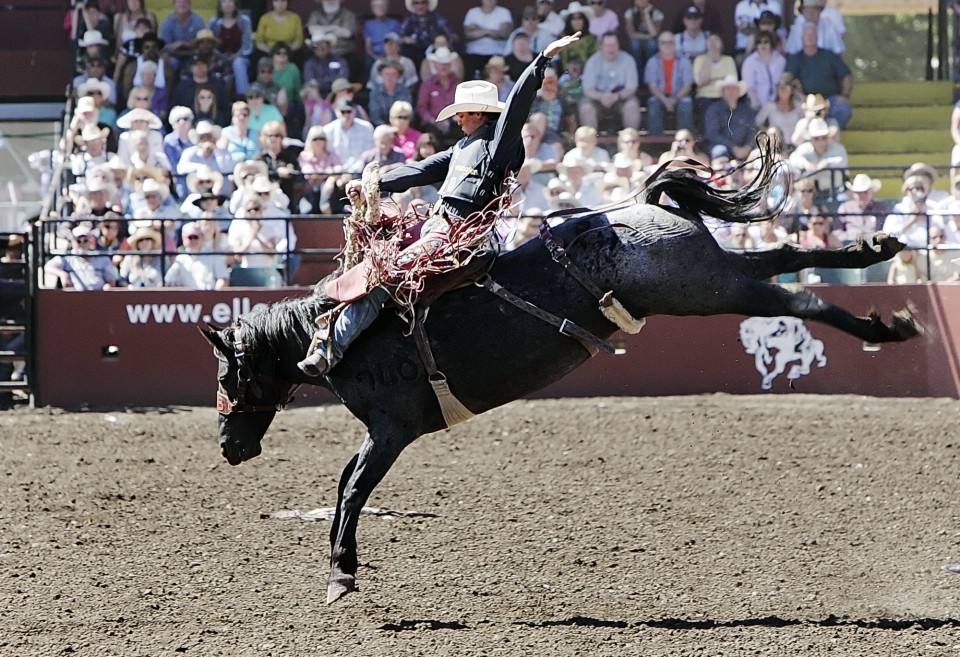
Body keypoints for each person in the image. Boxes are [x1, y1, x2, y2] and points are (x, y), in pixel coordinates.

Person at [297, 31, 582, 377]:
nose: (457, 120)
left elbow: (517, 103)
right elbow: (418, 170)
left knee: (385, 274)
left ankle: (332, 349)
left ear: (477, 113)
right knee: (373, 256)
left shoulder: (500, 144)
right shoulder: (462, 146)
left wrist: (542, 60)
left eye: (461, 113)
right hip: (435, 224)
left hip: (461, 233)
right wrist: (373, 181)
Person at [785, 23, 852, 129]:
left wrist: (845, 94)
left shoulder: (829, 56)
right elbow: (787, 81)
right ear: (802, 38)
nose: (810, 37)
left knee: (843, 109)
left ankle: (831, 135)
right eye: (807, 35)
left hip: (829, 100)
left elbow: (846, 75)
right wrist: (799, 95)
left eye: (813, 35)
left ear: (817, 37)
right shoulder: (795, 59)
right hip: (805, 100)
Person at [579, 32, 641, 132]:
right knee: (586, 107)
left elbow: (632, 87)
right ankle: (590, 141)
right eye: (607, 45)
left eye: (613, 45)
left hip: (621, 98)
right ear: (601, 46)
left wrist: (617, 96)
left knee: (632, 106)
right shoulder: (593, 61)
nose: (611, 48)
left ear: (618, 45)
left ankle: (630, 138)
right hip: (598, 98)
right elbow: (587, 89)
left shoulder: (628, 60)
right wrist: (601, 97)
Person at [645, 30, 694, 136]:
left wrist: (674, 99)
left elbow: (687, 85)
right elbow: (652, 87)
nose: (667, 45)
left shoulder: (685, 61)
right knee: (653, 104)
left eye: (670, 42)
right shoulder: (652, 62)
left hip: (679, 96)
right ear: (658, 45)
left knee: (686, 103)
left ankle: (684, 140)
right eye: (663, 42)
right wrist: (666, 101)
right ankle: (656, 143)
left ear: (675, 44)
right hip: (660, 96)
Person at [787, 118, 847, 200]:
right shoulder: (806, 148)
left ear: (828, 137)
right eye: (816, 138)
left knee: (844, 199)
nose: (820, 141)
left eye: (823, 137)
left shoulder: (838, 148)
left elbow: (842, 161)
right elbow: (793, 158)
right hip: (812, 193)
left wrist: (827, 163)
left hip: (836, 191)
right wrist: (806, 164)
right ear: (811, 139)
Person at [44, 225, 119, 290]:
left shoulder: (102, 258)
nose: (82, 244)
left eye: (85, 240)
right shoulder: (67, 258)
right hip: (75, 298)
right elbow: (48, 267)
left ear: (90, 241)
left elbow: (111, 281)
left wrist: (108, 287)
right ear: (73, 242)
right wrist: (63, 274)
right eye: (78, 240)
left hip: (99, 298)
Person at [703, 75, 756, 161]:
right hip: (723, 148)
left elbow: (752, 132)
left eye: (734, 89)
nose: (731, 92)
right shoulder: (714, 109)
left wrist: (748, 147)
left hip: (744, 149)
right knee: (719, 151)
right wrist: (733, 147)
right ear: (723, 92)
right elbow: (712, 134)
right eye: (728, 89)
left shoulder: (747, 110)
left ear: (739, 92)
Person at [165, 222, 231, 289]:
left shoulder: (213, 255)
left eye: (196, 237)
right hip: (186, 297)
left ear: (201, 237)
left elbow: (223, 279)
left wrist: (214, 296)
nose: (193, 240)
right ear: (183, 238)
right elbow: (168, 280)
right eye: (190, 237)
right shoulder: (180, 259)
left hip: (208, 296)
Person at [416, 47, 461, 144]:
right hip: (433, 123)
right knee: (432, 137)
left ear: (450, 65)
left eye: (446, 64)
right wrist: (434, 121)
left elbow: (463, 103)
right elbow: (422, 107)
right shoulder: (428, 84)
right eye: (441, 64)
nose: (443, 67)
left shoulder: (458, 83)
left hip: (455, 123)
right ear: (436, 65)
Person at [208, 0, 253, 96]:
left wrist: (236, 55)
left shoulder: (244, 20)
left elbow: (247, 45)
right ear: (220, 6)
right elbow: (210, 44)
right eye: (224, 1)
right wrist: (220, 56)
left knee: (238, 64)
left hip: (240, 57)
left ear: (236, 5)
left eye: (230, 1)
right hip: (219, 57)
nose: (227, 4)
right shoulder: (214, 22)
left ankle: (243, 97)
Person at [692, 33, 737, 124]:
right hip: (705, 97)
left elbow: (732, 81)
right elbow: (701, 81)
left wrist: (710, 81)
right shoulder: (699, 60)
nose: (713, 43)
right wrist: (709, 58)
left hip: (724, 97)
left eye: (716, 39)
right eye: (710, 40)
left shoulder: (728, 60)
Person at [398, 0, 457, 69]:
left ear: (428, 4)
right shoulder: (409, 20)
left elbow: (452, 36)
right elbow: (400, 38)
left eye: (423, 3)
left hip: (434, 49)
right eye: (416, 3)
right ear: (413, 6)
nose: (420, 6)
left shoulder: (438, 18)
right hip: (416, 51)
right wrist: (406, 39)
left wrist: (442, 40)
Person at [462, 0, 513, 78]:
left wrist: (480, 30)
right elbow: (468, 34)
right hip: (474, 54)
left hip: (497, 54)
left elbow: (504, 33)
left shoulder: (504, 13)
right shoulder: (472, 13)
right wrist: (492, 31)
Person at [323, 99, 376, 173]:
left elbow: (370, 152)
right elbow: (327, 155)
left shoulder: (366, 127)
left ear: (354, 112)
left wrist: (354, 171)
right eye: (342, 112)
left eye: (349, 111)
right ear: (336, 112)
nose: (346, 115)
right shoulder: (328, 130)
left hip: (361, 172)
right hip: (337, 173)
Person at [740, 30, 786, 112]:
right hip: (757, 104)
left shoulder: (781, 60)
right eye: (759, 42)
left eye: (766, 42)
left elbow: (784, 82)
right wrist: (756, 103)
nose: (763, 45)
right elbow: (749, 86)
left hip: (778, 104)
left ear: (771, 43)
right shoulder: (750, 62)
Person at [755, 72, 803, 148]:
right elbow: (758, 122)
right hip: (776, 146)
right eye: (780, 89)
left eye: (785, 89)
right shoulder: (770, 106)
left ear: (791, 90)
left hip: (796, 145)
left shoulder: (798, 106)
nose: (782, 91)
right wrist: (769, 133)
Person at [833, 173, 883, 243]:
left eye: (865, 192)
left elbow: (884, 231)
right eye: (858, 192)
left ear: (872, 192)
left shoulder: (880, 208)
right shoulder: (845, 207)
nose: (862, 195)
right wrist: (850, 238)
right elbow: (837, 232)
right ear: (853, 194)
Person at [158, 0, 206, 74]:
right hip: (173, 55)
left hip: (193, 54)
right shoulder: (167, 21)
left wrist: (188, 44)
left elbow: (203, 42)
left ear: (190, 4)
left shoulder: (198, 20)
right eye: (179, 2)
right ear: (174, 5)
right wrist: (178, 44)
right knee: (171, 62)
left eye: (185, 1)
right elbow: (163, 45)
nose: (182, 4)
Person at [624, 0, 663, 79]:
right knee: (635, 44)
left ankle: (651, 75)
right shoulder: (630, 13)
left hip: (650, 42)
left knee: (652, 44)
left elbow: (654, 33)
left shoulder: (657, 14)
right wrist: (648, 37)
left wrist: (647, 14)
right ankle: (638, 75)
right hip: (637, 42)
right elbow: (631, 35)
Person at [304, 33, 351, 98]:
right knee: (310, 90)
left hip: (336, 92)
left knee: (342, 85)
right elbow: (310, 81)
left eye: (322, 45)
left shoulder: (340, 61)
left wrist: (320, 82)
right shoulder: (309, 63)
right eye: (316, 47)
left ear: (329, 46)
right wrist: (329, 81)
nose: (319, 48)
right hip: (318, 95)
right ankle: (324, 107)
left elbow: (343, 77)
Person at [368, 59, 414, 126]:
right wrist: (387, 128)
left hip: (402, 126)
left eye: (393, 74)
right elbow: (375, 116)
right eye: (387, 74)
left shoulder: (404, 91)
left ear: (398, 76)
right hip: (382, 128)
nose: (390, 77)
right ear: (381, 75)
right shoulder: (375, 93)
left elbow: (407, 113)